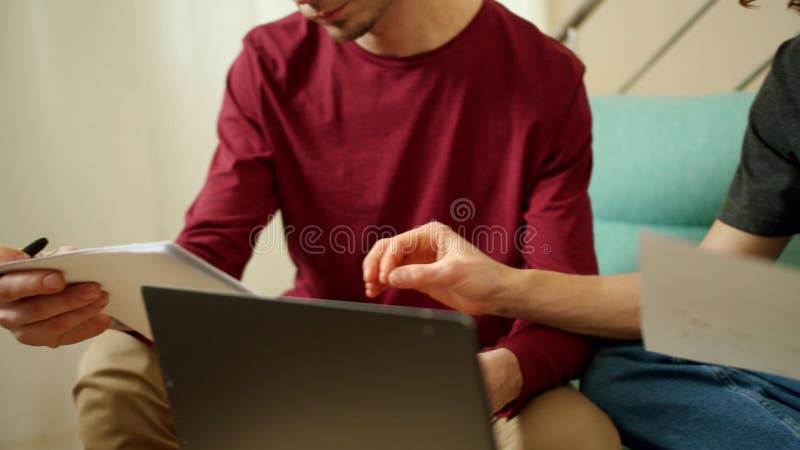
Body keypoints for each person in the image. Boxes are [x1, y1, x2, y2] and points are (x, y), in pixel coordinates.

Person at [0, 0, 621, 448]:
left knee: (575, 436)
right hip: (310, 359)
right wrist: (101, 293)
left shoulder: (545, 75)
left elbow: (564, 300)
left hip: (476, 372)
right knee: (115, 368)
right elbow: (209, 253)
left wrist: (501, 373)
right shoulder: (270, 62)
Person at [362, 5, 800, 448]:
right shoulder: (792, 78)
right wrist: (499, 287)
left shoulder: (541, 72)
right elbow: (708, 292)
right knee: (622, 367)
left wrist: (513, 365)